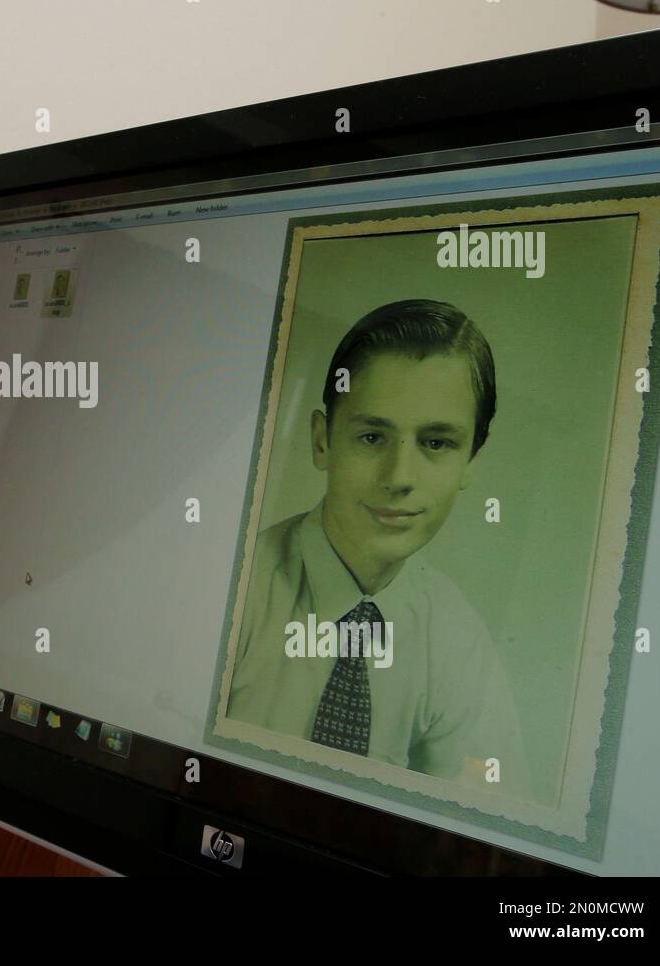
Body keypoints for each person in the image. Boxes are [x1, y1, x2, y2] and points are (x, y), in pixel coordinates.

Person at [225, 299, 527, 794]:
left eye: (436, 443)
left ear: (472, 460)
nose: (399, 478)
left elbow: (484, 813)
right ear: (322, 441)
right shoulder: (235, 589)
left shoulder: (456, 640)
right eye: (371, 436)